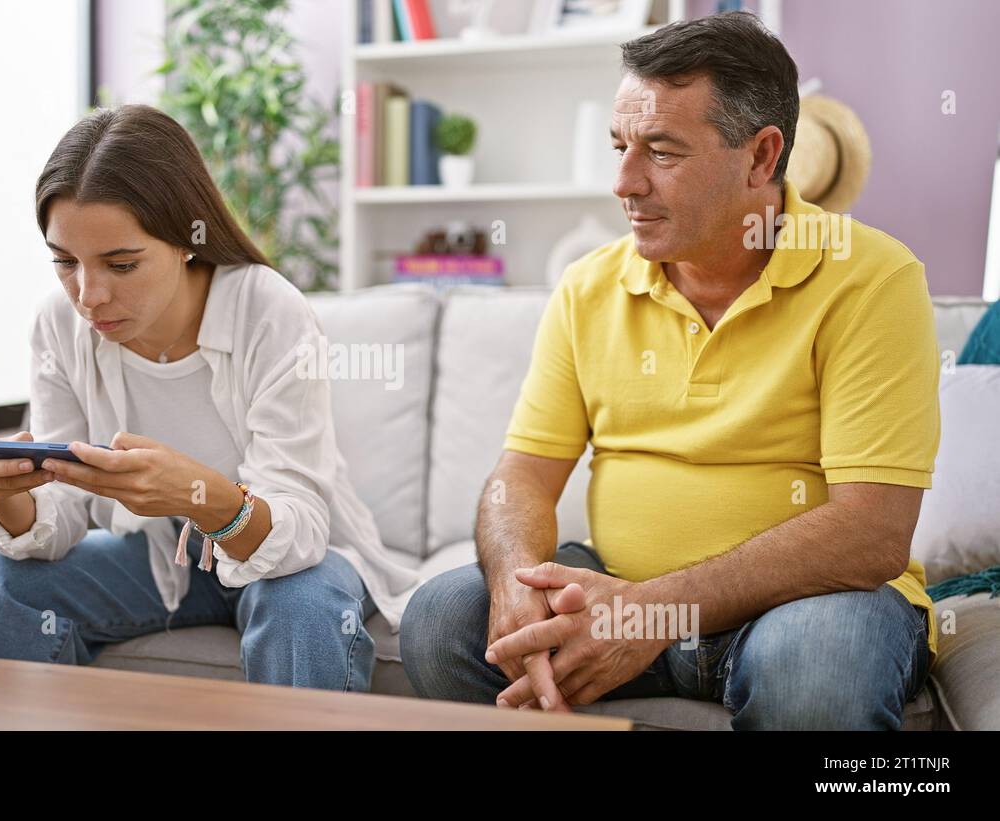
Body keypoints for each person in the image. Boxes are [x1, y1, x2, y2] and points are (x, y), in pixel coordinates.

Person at [401, 12, 939, 729]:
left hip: (803, 610)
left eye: (660, 151)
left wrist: (655, 609)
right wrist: (512, 583)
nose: (624, 182)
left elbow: (870, 533)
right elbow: (521, 476)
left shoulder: (873, 279)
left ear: (760, 156)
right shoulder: (588, 287)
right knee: (441, 619)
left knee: (822, 665)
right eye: (620, 146)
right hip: (618, 592)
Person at [0, 104, 418, 691]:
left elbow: (298, 523)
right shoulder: (57, 327)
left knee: (303, 612)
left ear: (185, 238)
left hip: (293, 557)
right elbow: (62, 511)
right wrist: (7, 497)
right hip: (157, 558)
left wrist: (201, 497)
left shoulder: (268, 311)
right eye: (65, 263)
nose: (89, 296)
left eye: (122, 264)